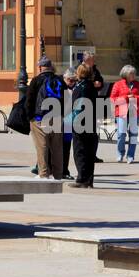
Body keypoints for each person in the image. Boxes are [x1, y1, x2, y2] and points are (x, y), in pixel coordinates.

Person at [24, 56, 65, 179]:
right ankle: (58, 174)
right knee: (57, 147)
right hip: (57, 117)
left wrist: (30, 117)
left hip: (40, 118)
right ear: (50, 67)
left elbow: (29, 101)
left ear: (40, 67)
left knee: (42, 146)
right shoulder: (59, 80)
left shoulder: (36, 80)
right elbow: (66, 99)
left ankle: (43, 173)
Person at [69, 60, 100, 188]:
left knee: (80, 151)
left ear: (80, 73)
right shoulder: (92, 87)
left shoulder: (81, 87)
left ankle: (82, 179)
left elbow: (78, 106)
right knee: (89, 152)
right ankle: (89, 180)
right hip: (91, 122)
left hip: (81, 123)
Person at [110, 64, 139, 164]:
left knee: (133, 135)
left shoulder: (138, 85)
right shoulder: (118, 84)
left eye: (134, 74)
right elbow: (112, 99)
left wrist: (134, 97)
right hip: (121, 112)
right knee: (121, 134)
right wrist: (126, 98)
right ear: (126, 74)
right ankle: (120, 153)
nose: (133, 75)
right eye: (131, 74)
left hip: (134, 112)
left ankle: (130, 155)